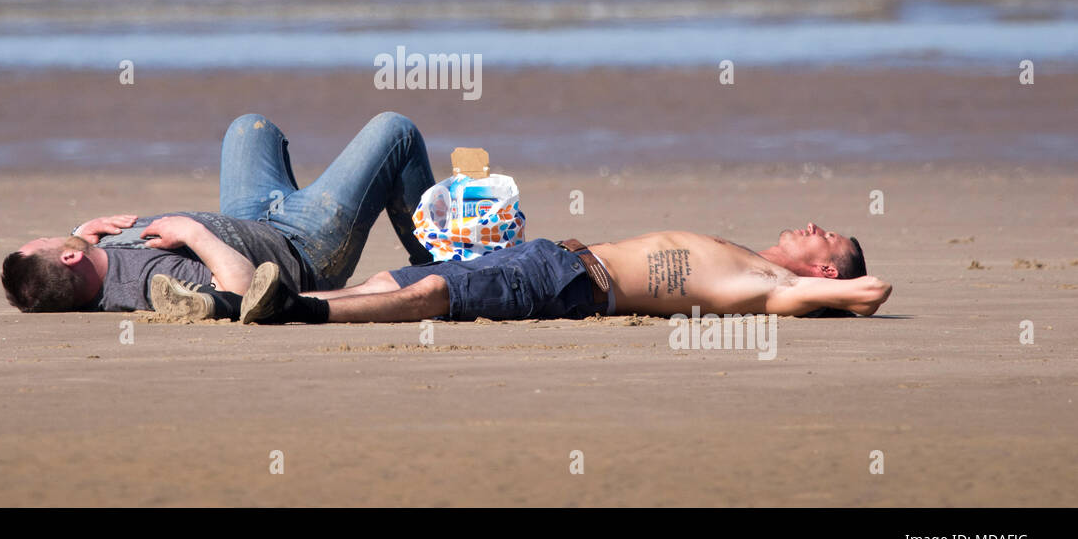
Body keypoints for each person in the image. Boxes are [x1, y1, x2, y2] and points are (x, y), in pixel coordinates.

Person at [0, 112, 435, 318]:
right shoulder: (149, 283)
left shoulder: (87, 257)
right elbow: (243, 289)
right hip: (303, 248)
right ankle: (437, 260)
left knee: (248, 127)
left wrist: (80, 231)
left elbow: (61, 263)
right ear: (68, 260)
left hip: (255, 219)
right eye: (47, 241)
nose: (54, 236)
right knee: (394, 132)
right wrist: (190, 231)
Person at [235, 223, 890, 324]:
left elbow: (872, 293)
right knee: (389, 279)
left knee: (430, 295)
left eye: (823, 234)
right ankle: (261, 300)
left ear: (824, 267)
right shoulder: (753, 258)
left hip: (567, 287)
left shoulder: (779, 289)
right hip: (545, 255)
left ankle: (299, 312)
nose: (810, 224)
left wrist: (828, 291)